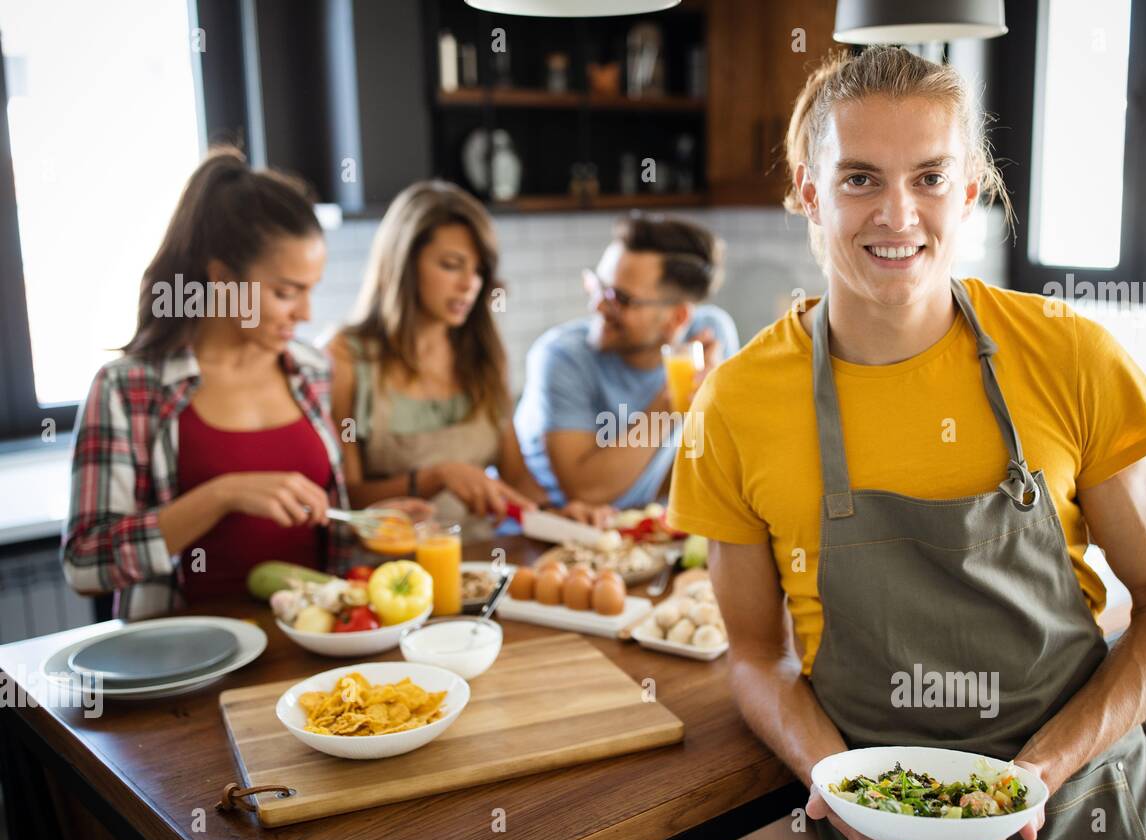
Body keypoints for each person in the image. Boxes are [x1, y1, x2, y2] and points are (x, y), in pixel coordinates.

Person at [667, 47, 1146, 840]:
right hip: (879, 832)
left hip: (1084, 815)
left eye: (929, 178)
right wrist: (845, 795)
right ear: (810, 193)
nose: (898, 214)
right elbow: (756, 653)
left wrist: (1032, 779)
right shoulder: (737, 403)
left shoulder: (1071, 356)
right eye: (860, 179)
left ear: (967, 193)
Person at [63, 147, 352, 619]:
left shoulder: (312, 370)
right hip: (186, 664)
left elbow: (322, 519)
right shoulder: (127, 390)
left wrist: (370, 524)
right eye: (285, 292)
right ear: (221, 279)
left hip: (313, 652)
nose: (306, 314)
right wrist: (222, 495)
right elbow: (84, 563)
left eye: (310, 290)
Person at [328, 181, 607, 540]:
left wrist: (559, 513)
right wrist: (435, 477)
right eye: (451, 265)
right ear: (404, 263)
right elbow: (346, 499)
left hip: (479, 566)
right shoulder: (346, 359)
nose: (470, 284)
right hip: (390, 574)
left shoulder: (484, 353)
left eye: (478, 270)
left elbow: (516, 477)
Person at [514, 215, 740, 509]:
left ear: (678, 318)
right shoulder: (561, 357)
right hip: (552, 532)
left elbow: (722, 456)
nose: (597, 304)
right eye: (597, 285)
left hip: (642, 524)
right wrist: (673, 401)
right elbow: (586, 492)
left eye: (619, 298)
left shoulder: (709, 336)